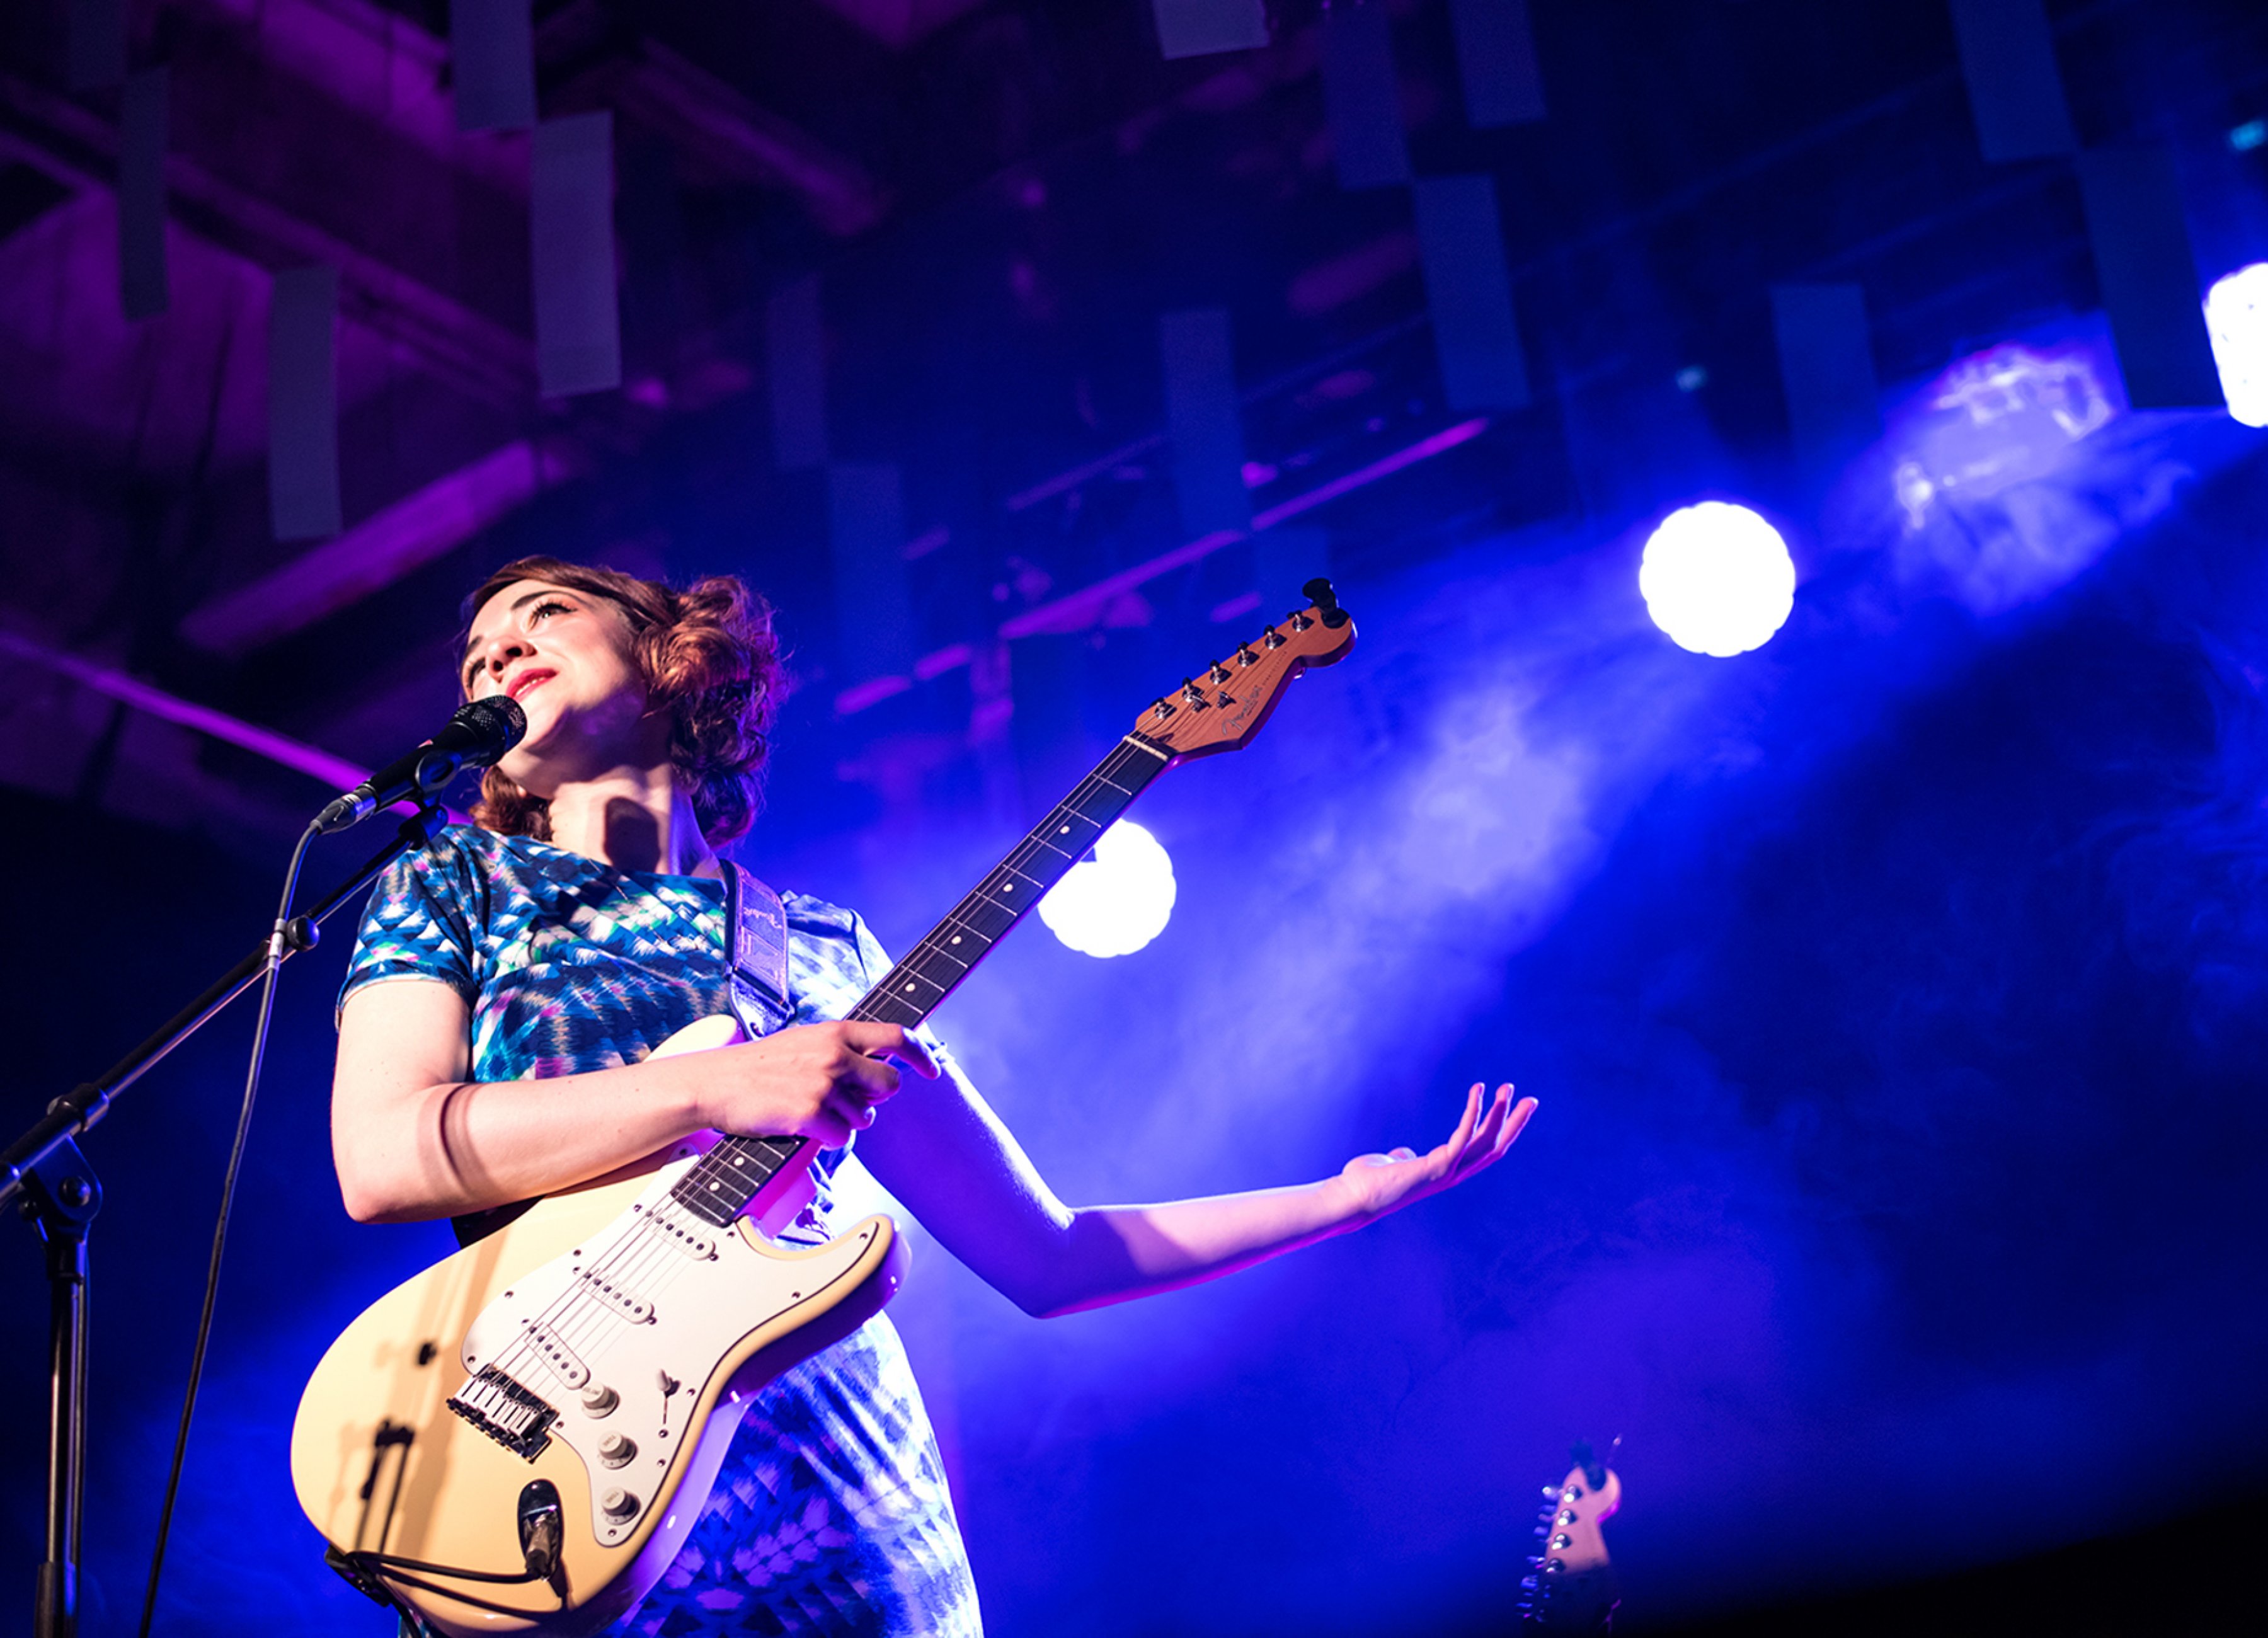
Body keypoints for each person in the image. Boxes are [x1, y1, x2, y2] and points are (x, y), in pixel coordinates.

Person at [331, 555, 1536, 1637]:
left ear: (668, 656)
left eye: (543, 614)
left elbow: (1050, 1256)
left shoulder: (821, 950)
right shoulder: (449, 883)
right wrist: (718, 1085)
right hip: (545, 1478)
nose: (499, 652)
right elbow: (384, 1158)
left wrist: (1346, 1199)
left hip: (844, 1510)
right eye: (477, 656)